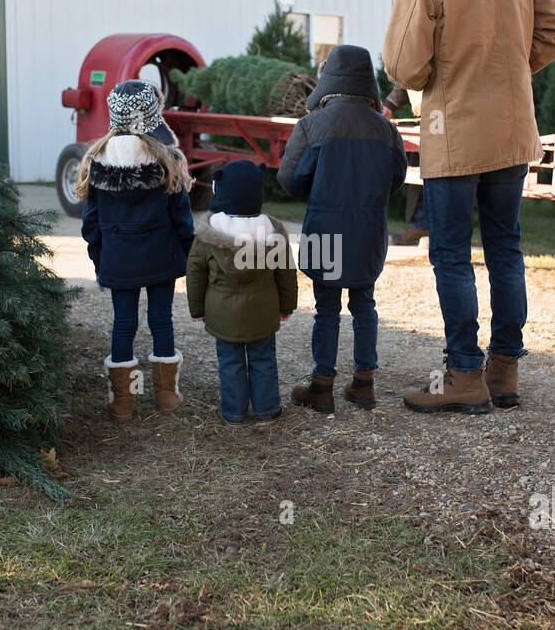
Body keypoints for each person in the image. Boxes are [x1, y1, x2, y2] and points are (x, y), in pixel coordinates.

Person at [383, 0, 555, 414]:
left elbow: (406, 65)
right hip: (512, 135)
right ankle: (504, 371)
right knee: (505, 249)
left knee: (451, 255)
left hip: (454, 136)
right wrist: (508, 69)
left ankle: (464, 374)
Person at [277, 45, 408, 413]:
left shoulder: (312, 124)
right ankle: (364, 384)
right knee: (365, 304)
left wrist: (319, 192)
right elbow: (395, 178)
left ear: (328, 78)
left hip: (324, 228)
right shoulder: (385, 128)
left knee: (327, 308)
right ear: (368, 80)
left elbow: (290, 180)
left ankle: (322, 386)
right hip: (368, 229)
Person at [77, 80, 194, 422]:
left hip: (118, 259)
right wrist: (187, 253)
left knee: (123, 324)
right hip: (161, 256)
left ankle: (123, 404)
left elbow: (90, 224)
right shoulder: (167, 159)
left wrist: (101, 258)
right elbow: (182, 220)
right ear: (152, 115)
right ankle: (166, 397)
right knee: (161, 320)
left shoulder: (96, 160)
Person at [186, 159, 297, 425]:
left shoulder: (209, 233)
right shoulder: (272, 233)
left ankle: (234, 413)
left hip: (223, 314)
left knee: (230, 362)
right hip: (262, 314)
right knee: (263, 360)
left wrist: (197, 309)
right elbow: (286, 274)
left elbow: (195, 272)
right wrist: (286, 307)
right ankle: (267, 410)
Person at [382, 85, 429, 246]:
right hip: (433, 113)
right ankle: (423, 226)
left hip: (452, 114)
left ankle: (428, 227)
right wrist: (390, 104)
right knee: (428, 174)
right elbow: (410, 73)